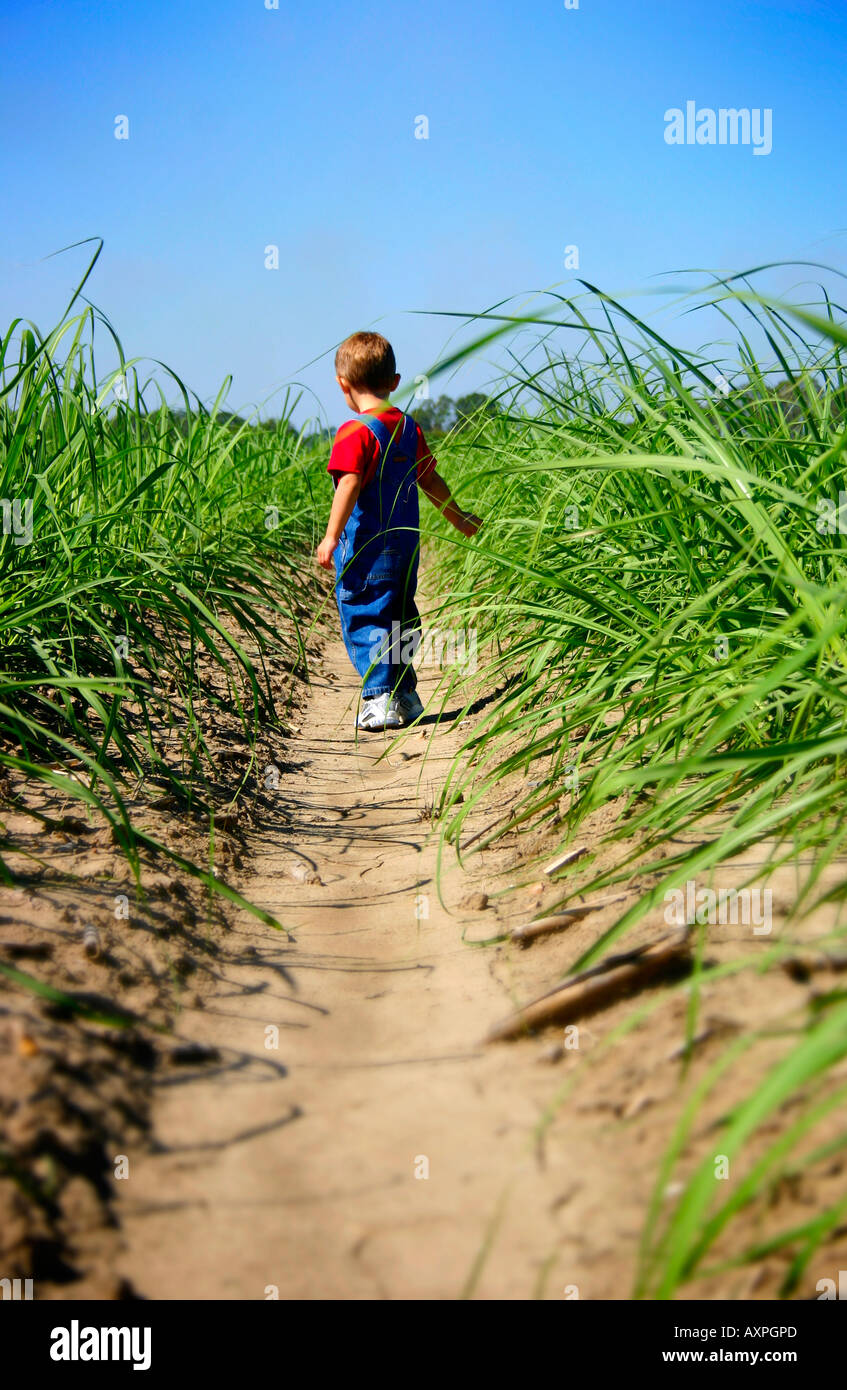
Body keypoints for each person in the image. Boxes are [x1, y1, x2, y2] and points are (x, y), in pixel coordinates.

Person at [316, 331, 481, 730]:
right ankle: (405, 693)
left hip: (367, 548)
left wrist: (331, 535)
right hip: (407, 546)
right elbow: (430, 479)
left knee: (366, 613)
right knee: (401, 616)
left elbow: (350, 484)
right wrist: (457, 517)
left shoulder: (353, 432)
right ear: (394, 381)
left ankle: (378, 698)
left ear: (343, 384)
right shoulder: (409, 429)